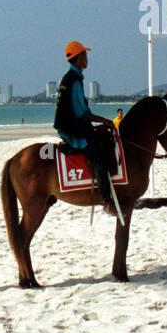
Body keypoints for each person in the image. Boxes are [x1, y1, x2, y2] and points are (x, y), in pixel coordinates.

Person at [53, 42, 116, 212]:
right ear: (78, 57)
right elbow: (82, 112)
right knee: (99, 151)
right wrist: (106, 121)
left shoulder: (72, 77)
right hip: (71, 128)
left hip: (71, 124)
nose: (87, 59)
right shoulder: (73, 80)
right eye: (85, 55)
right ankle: (105, 199)